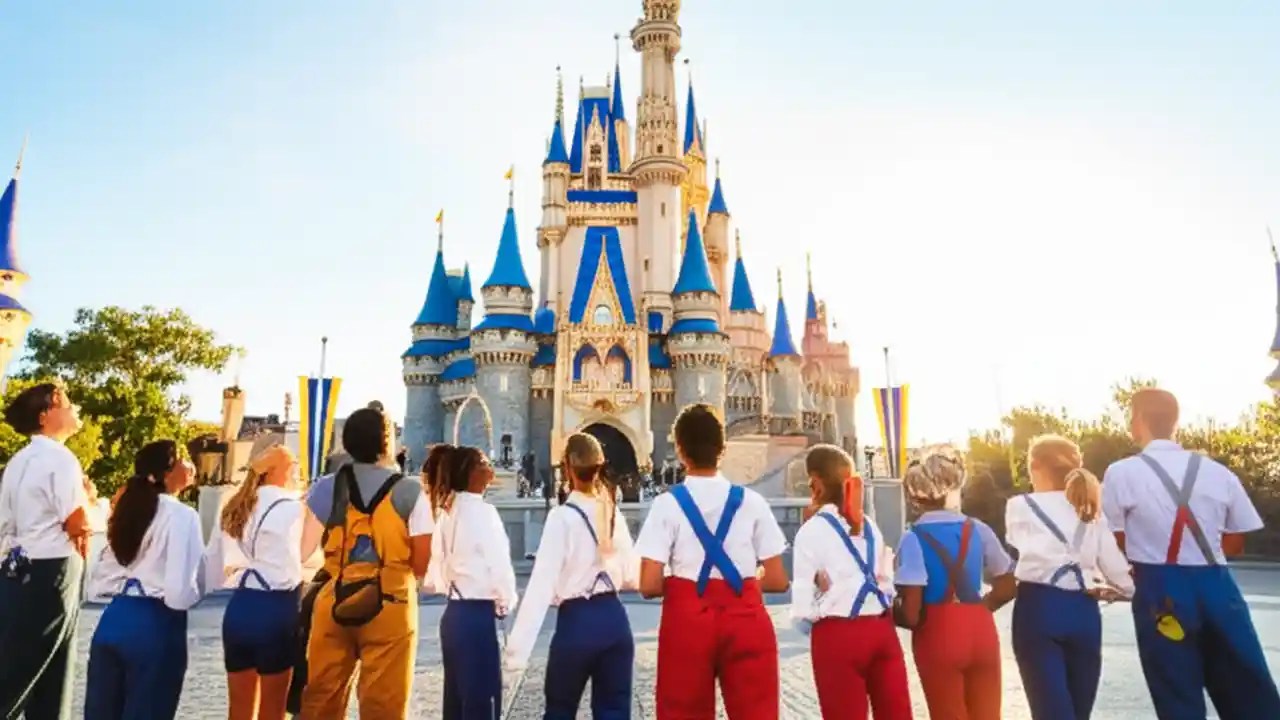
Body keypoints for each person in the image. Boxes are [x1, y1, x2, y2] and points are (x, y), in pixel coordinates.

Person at [1101, 388, 1279, 719]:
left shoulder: (1121, 472)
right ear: (1175, 421)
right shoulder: (1218, 472)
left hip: (1160, 591)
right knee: (1248, 688)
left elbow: (1113, 539)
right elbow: (1236, 542)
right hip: (1217, 585)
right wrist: (1196, 554)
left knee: (1176, 690)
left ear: (1139, 419)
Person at [634, 403, 789, 719]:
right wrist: (740, 582)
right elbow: (777, 580)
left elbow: (648, 585)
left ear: (680, 450)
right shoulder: (753, 503)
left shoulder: (666, 506)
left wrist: (686, 585)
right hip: (746, 618)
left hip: (688, 622)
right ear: (723, 448)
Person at [297, 406, 435, 718]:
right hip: (391, 604)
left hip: (335, 599)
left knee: (321, 699)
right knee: (384, 705)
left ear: (347, 443)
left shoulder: (326, 487)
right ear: (387, 442)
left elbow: (303, 551)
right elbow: (422, 564)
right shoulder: (411, 492)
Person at [505, 433, 638, 717]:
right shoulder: (613, 513)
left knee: (560, 709)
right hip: (615, 621)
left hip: (577, 623)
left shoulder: (562, 517)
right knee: (615, 711)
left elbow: (541, 585)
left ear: (567, 468)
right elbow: (631, 574)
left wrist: (516, 651)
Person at [1006, 434, 1134, 720]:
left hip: (1037, 610)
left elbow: (1017, 543)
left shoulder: (1019, 506)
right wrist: (1126, 591)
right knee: (1079, 713)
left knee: (1049, 712)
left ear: (1036, 466)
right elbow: (1117, 571)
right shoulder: (1090, 510)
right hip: (1083, 612)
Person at [84, 440, 204, 719]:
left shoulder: (128, 509)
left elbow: (102, 577)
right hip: (156, 623)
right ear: (167, 471)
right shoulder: (182, 515)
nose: (190, 465)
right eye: (183, 458)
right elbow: (180, 592)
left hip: (115, 618)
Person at [791, 445, 912, 720]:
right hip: (882, 631)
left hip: (837, 636)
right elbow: (885, 580)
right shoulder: (870, 525)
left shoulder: (810, 532)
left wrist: (820, 601)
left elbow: (802, 607)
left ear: (816, 483)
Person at [896, 448, 1016, 720]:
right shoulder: (978, 529)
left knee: (947, 713)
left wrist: (889, 610)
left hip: (938, 633)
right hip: (980, 630)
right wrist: (981, 608)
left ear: (915, 495)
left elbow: (912, 612)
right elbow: (1008, 585)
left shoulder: (913, 538)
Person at [0, 382, 89, 720]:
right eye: (68, 402)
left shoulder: (17, 461)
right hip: (51, 569)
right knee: (34, 681)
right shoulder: (59, 458)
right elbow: (77, 522)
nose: (75, 409)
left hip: (15, 568)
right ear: (47, 413)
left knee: (32, 672)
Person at [205, 442, 304, 720]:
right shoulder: (293, 507)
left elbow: (213, 569)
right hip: (276, 608)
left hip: (239, 609)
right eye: (292, 466)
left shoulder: (233, 505)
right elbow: (307, 557)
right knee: (272, 711)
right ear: (277, 471)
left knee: (238, 711)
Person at [435, 445, 518, 719]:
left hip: (454, 612)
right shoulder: (483, 513)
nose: (490, 467)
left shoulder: (448, 511)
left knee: (457, 699)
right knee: (482, 698)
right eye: (483, 462)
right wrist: (506, 602)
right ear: (471, 473)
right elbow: (499, 565)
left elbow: (438, 564)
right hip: (477, 614)